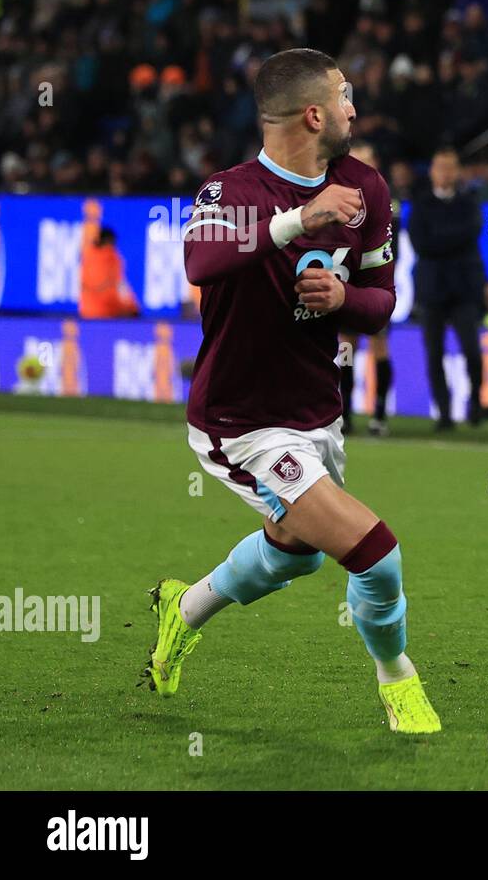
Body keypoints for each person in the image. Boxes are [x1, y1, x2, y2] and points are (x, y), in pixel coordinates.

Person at [146, 48, 441, 734]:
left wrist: (342, 296)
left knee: (297, 550)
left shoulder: (366, 187)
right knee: (376, 553)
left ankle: (183, 610)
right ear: (315, 113)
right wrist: (298, 223)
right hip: (241, 423)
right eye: (344, 96)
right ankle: (398, 682)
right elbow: (202, 260)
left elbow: (382, 305)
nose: (353, 109)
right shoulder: (231, 191)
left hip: (317, 414)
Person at [407, 146, 485, 429]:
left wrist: (439, 239)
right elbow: (421, 244)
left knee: (472, 352)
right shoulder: (421, 204)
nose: (446, 173)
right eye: (441, 167)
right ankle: (444, 412)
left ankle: (476, 402)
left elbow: (469, 234)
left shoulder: (470, 202)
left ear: (458, 171)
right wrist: (451, 239)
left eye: (451, 167)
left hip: (464, 289)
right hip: (432, 290)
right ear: (432, 171)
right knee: (434, 353)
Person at [338, 141, 398, 436]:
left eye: (366, 162)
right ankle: (345, 413)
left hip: (374, 284)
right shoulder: (338, 199)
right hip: (348, 282)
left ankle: (380, 413)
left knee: (378, 348)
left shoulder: (385, 201)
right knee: (346, 347)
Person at [79, 225, 140, 319]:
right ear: (109, 241)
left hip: (87, 312)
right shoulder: (111, 258)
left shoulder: (87, 257)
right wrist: (132, 308)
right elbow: (117, 287)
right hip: (108, 312)